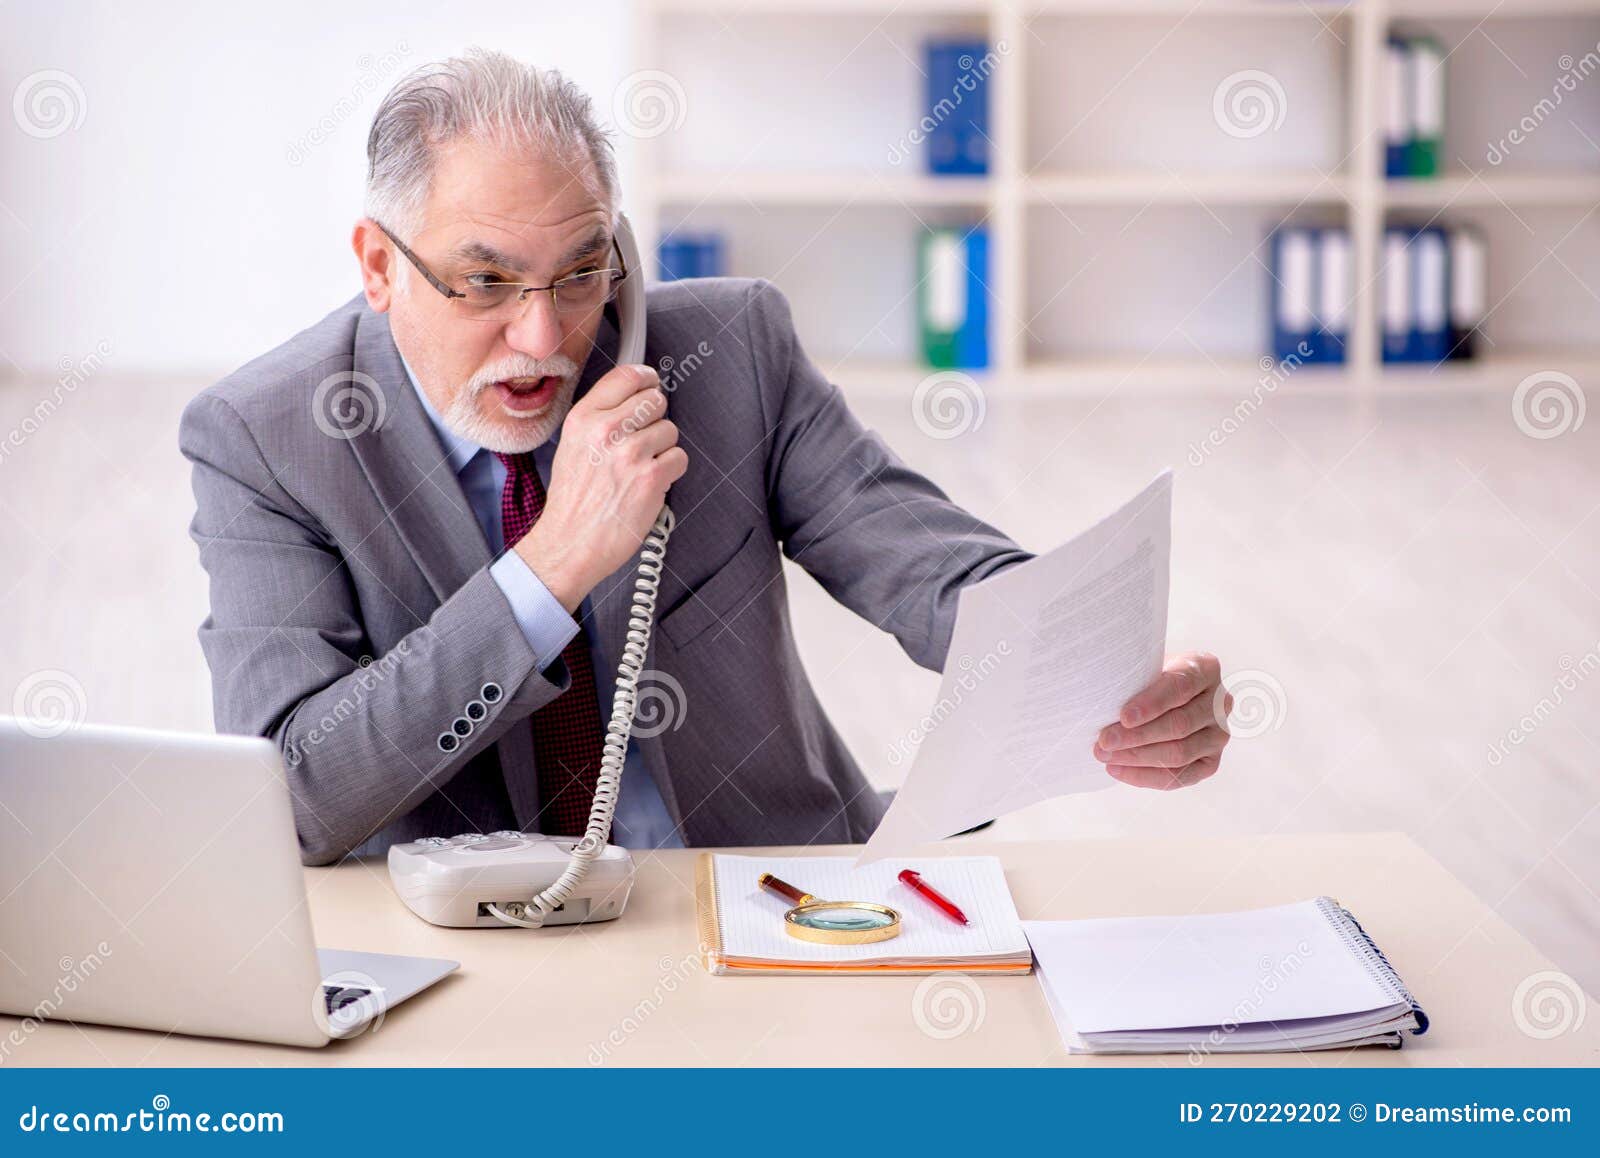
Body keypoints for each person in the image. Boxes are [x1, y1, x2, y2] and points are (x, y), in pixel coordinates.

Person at [180, 50, 1232, 865]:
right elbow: (298, 794)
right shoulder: (266, 439)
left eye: (583, 269)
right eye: (487, 283)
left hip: (778, 895)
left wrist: (1108, 674)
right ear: (379, 264)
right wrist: (548, 571)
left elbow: (934, 570)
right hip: (484, 951)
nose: (545, 340)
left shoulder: (730, 353)